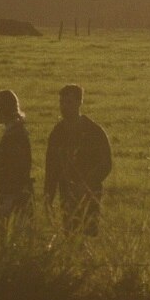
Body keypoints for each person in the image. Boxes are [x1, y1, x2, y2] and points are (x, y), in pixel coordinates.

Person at [44, 84, 113, 235]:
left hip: (89, 195)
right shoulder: (57, 133)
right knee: (70, 236)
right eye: (61, 102)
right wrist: (48, 197)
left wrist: (86, 184)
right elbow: (51, 169)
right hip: (66, 195)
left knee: (88, 235)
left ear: (79, 102)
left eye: (68, 102)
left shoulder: (94, 131)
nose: (63, 106)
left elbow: (106, 164)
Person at [0, 89, 33, 238]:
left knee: (0, 235)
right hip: (13, 192)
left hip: (10, 193)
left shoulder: (14, 135)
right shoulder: (15, 132)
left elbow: (12, 167)